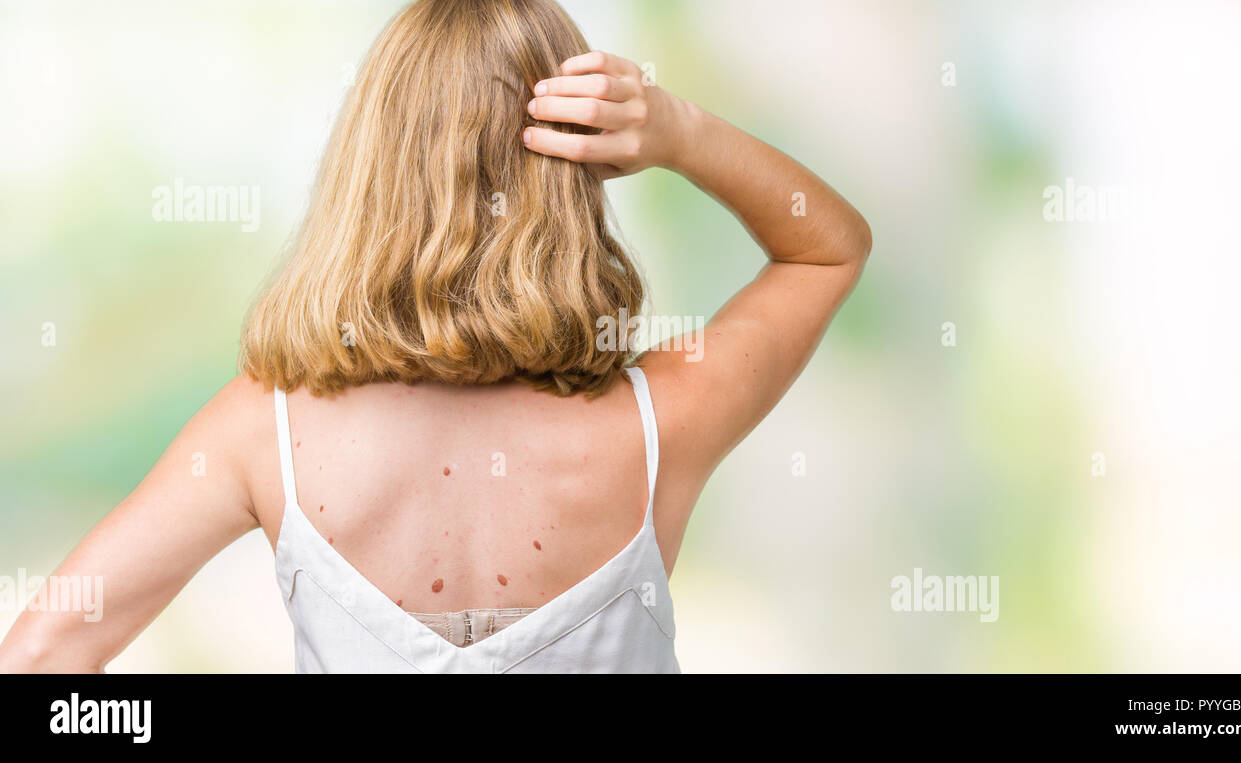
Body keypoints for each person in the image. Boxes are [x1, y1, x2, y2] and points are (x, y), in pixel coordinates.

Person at [0, 0, 870, 673]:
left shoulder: (264, 432)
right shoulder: (661, 423)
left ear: (367, 170)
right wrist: (680, 130)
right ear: (575, 179)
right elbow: (828, 248)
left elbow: (37, 656)